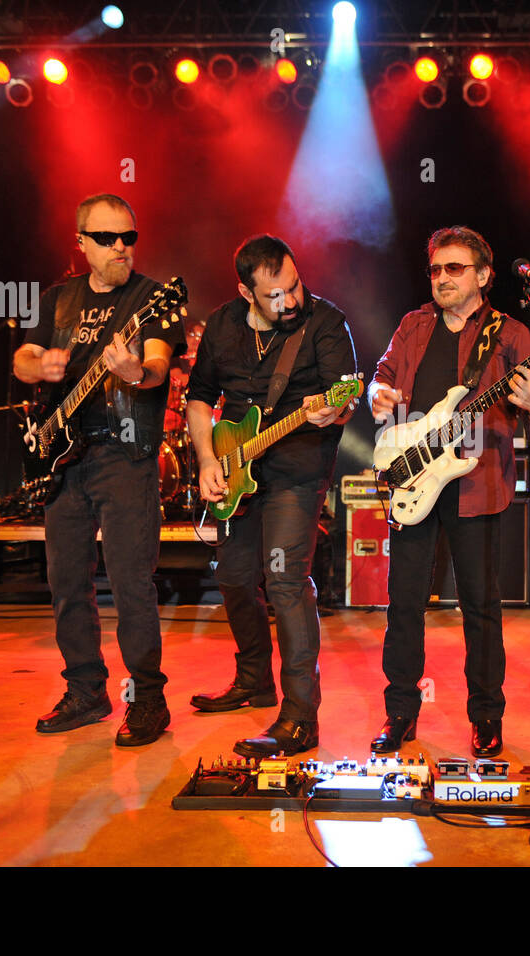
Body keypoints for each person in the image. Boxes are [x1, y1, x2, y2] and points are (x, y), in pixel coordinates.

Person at [368, 226, 530, 758]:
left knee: (481, 607)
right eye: (435, 269)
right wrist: (379, 394)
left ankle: (486, 718)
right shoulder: (413, 324)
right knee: (404, 605)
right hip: (414, 476)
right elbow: (383, 376)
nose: (441, 278)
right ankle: (400, 713)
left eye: (454, 268)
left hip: (477, 485)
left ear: (483, 276)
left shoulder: (511, 332)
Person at [15, 193, 185, 747]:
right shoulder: (58, 299)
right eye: (108, 238)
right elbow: (21, 360)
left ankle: (149, 699)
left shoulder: (153, 297)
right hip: (65, 457)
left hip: (124, 454)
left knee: (131, 581)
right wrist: (41, 364)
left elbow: (158, 366)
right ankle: (86, 691)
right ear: (81, 242)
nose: (120, 248)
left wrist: (135, 371)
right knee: (66, 581)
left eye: (128, 238)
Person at [185, 235, 357, 758]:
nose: (289, 301)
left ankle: (301, 715)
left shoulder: (326, 324)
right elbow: (198, 398)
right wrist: (208, 461)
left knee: (284, 578)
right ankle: (254, 679)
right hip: (236, 470)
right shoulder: (221, 326)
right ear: (246, 292)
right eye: (274, 295)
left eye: (294, 287)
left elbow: (345, 395)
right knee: (234, 578)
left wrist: (336, 411)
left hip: (298, 468)